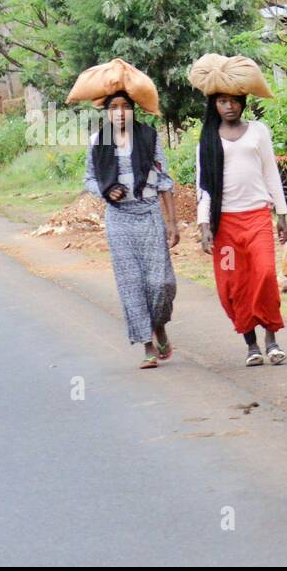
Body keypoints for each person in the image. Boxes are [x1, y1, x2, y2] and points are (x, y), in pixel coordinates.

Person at [189, 54, 287, 367]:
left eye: (234, 101)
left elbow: (271, 173)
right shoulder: (206, 141)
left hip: (258, 217)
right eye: (222, 101)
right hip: (226, 225)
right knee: (233, 285)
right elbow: (204, 186)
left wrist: (282, 213)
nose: (229, 106)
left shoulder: (259, 131)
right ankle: (251, 343)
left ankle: (271, 337)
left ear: (243, 102)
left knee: (264, 274)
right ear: (214, 105)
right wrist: (204, 226)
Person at [84, 90, 179, 369]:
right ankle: (147, 346)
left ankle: (159, 325)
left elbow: (164, 180)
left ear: (134, 110)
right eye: (114, 107)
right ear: (107, 112)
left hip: (149, 213)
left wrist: (172, 223)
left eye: (126, 106)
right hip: (119, 219)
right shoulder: (97, 142)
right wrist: (105, 191)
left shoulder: (149, 137)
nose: (120, 112)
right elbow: (89, 180)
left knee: (161, 282)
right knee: (131, 284)